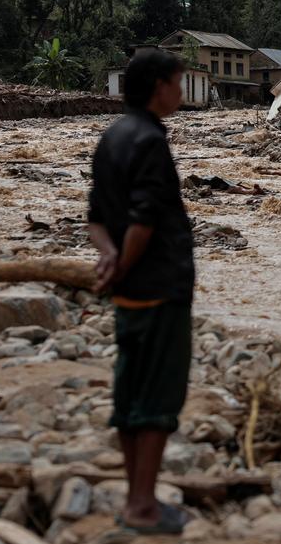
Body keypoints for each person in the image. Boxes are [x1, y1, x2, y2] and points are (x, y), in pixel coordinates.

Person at [87, 49, 194, 535]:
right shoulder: (151, 141)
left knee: (130, 397)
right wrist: (125, 262)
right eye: (177, 82)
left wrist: (109, 262)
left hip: (129, 295)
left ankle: (135, 496)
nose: (180, 90)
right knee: (156, 402)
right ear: (158, 88)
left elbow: (95, 220)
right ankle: (143, 508)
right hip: (157, 289)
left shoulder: (112, 136)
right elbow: (145, 221)